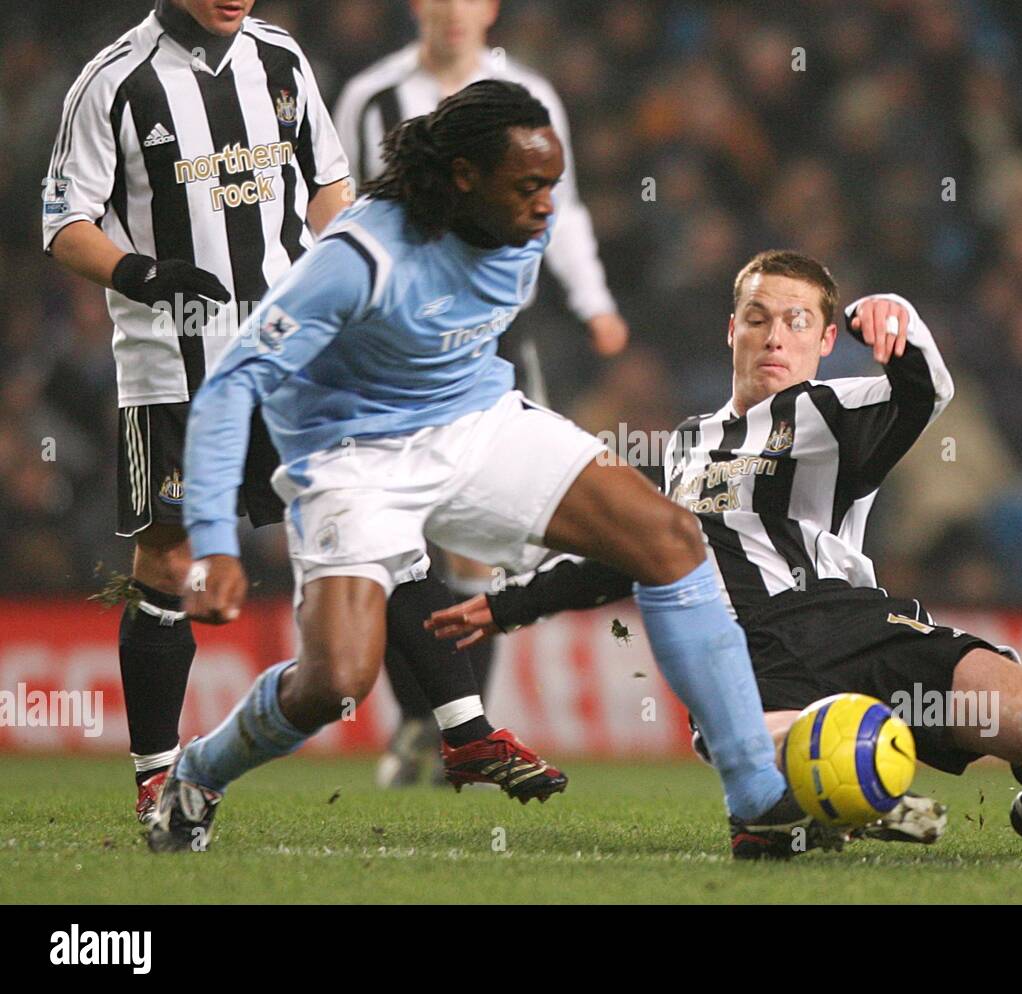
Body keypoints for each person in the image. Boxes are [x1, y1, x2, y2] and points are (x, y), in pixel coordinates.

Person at [147, 81, 809, 861]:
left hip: (476, 422)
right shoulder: (359, 259)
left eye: (552, 185)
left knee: (670, 536)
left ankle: (759, 797)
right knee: (335, 681)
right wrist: (215, 542)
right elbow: (232, 384)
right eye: (527, 187)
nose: (544, 207)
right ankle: (197, 773)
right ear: (463, 175)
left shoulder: (522, 227)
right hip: (352, 456)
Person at [429, 250, 1022, 860]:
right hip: (748, 653)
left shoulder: (831, 414)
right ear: (731, 331)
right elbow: (629, 554)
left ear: (824, 340)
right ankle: (813, 804)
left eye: (796, 321)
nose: (774, 336)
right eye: (758, 319)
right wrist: (510, 603)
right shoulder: (685, 445)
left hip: (860, 626)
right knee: (768, 805)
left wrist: (897, 321)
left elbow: (923, 394)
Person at [42, 0, 353, 823]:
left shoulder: (281, 59)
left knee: (360, 519)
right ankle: (158, 774)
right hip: (172, 373)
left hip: (286, 358)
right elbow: (63, 223)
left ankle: (460, 728)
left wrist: (349, 270)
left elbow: (328, 185)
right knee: (169, 563)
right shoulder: (112, 80)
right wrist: (142, 274)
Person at [334, 0, 629, 787]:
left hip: (490, 337)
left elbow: (560, 209)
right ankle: (419, 725)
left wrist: (594, 301)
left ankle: (458, 734)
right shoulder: (370, 98)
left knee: (474, 541)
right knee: (397, 533)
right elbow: (337, 209)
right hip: (391, 342)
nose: (454, 10)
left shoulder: (526, 95)